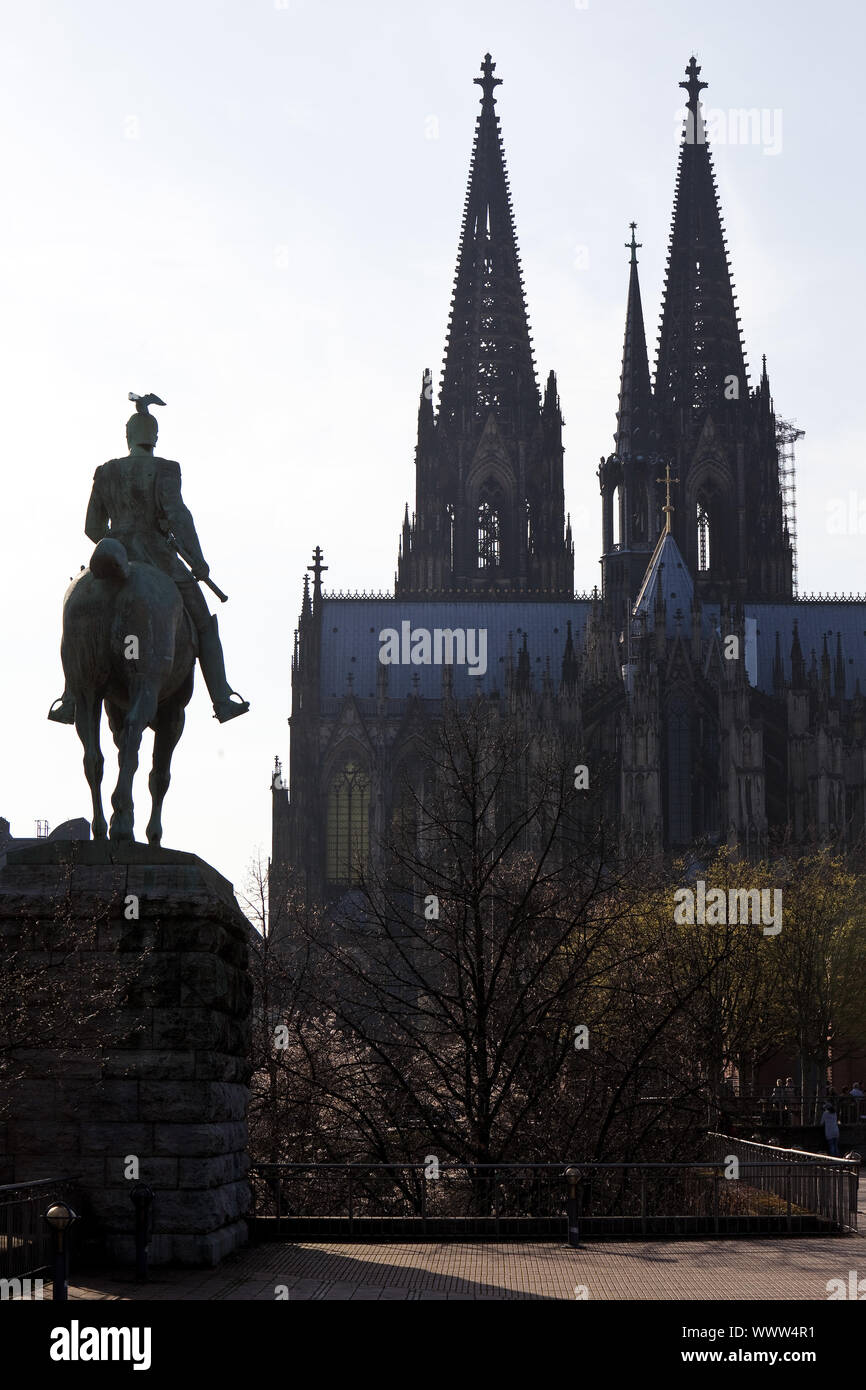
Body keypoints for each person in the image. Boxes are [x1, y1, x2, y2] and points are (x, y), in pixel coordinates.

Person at [48, 394, 249, 725]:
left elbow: (91, 527)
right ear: (154, 438)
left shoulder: (106, 472)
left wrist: (115, 543)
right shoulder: (166, 470)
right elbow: (179, 516)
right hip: (159, 558)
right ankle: (223, 698)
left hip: (115, 551)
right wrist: (198, 561)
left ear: (128, 437)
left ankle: (70, 698)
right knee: (203, 623)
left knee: (77, 614)